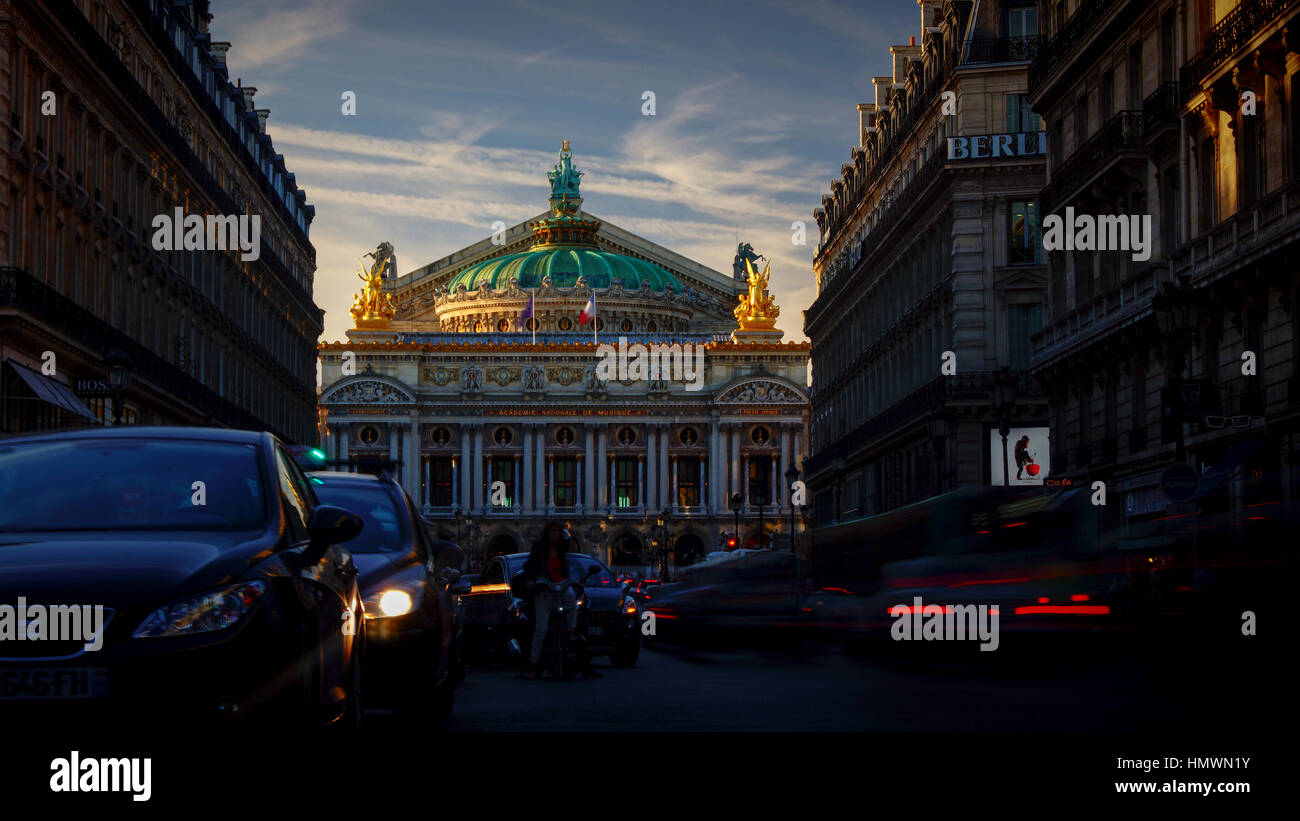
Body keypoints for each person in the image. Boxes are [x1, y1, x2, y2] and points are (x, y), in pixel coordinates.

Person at [518, 521, 600, 679]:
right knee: (541, 630)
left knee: (572, 597)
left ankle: (571, 631)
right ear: (547, 533)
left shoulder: (564, 550)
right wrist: (531, 580)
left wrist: (576, 580)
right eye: (552, 531)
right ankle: (533, 665)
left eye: (557, 531)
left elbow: (570, 569)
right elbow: (529, 567)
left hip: (561, 588)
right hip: (544, 590)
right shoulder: (539, 549)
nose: (555, 534)